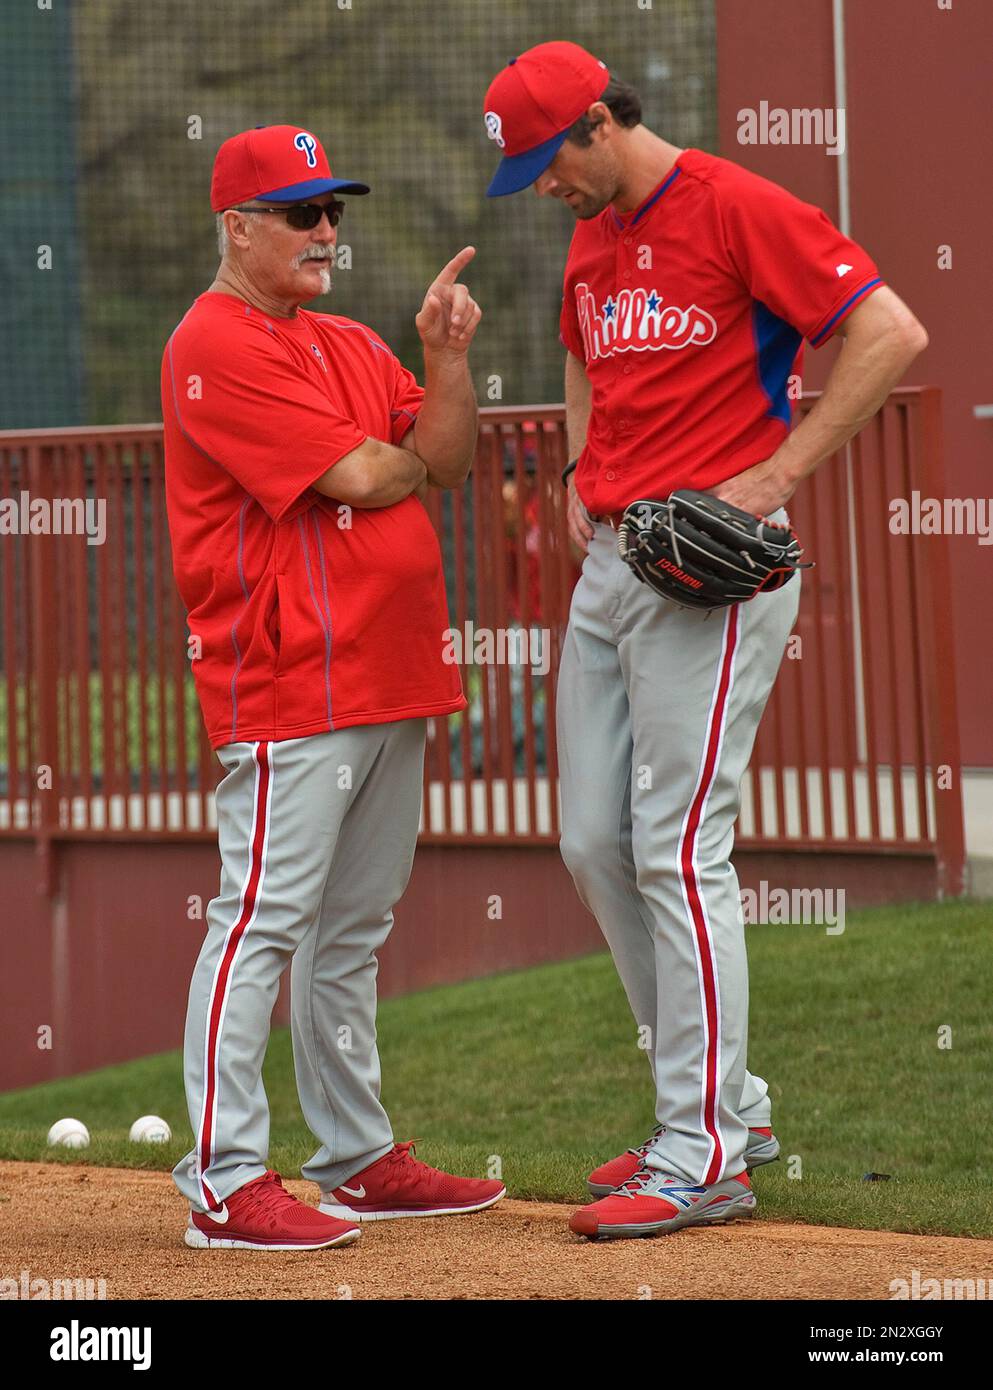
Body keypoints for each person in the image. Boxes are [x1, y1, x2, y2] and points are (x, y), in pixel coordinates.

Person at [483, 43, 927, 1240]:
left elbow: (889, 331)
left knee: (681, 847)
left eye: (547, 162)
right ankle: (729, 1101)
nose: (543, 188)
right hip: (614, 564)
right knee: (589, 838)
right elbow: (582, 347)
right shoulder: (593, 235)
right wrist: (578, 462)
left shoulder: (735, 204)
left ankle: (706, 1147)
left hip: (708, 571)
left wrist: (776, 477)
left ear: (594, 122)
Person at [161, 124, 503, 1250]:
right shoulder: (213, 342)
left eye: (334, 212)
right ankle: (221, 1176)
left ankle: (355, 1159)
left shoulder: (351, 341)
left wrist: (444, 360)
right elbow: (367, 473)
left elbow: (445, 462)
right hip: (287, 681)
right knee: (260, 922)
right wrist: (384, 461)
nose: (325, 230)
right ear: (238, 225)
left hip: (391, 672)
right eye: (302, 212)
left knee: (349, 933)